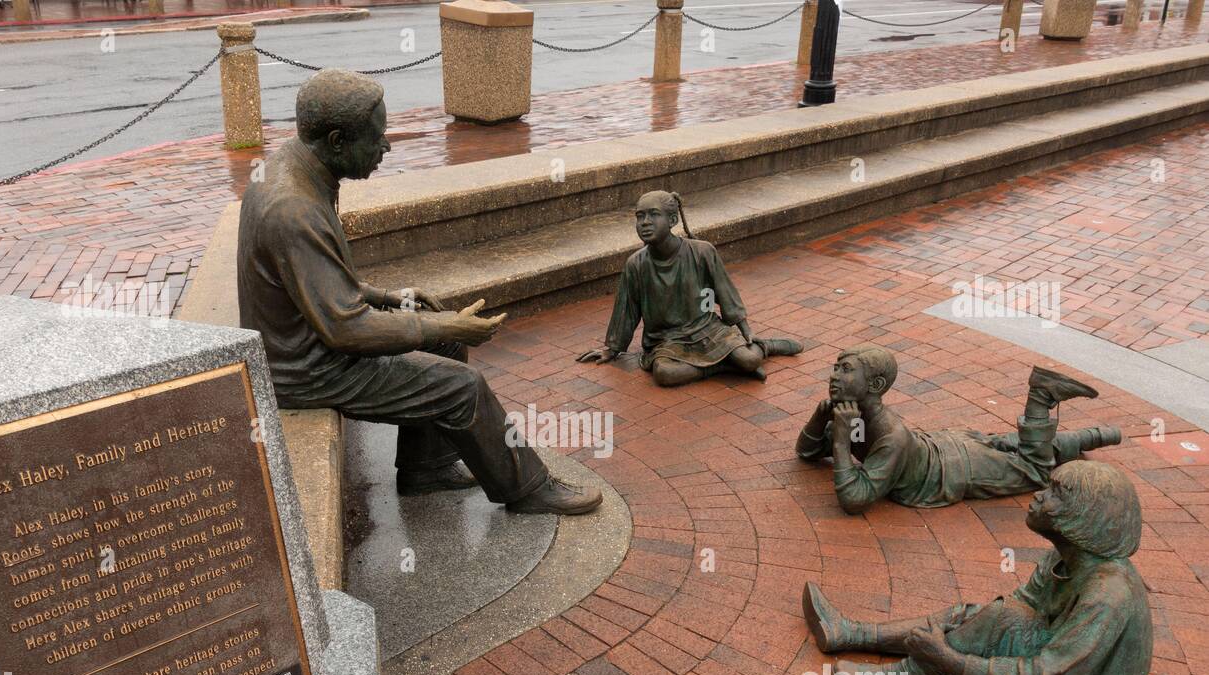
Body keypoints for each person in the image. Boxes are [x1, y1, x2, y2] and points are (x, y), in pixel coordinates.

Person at [237, 69, 601, 515]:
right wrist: (444, 323)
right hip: (307, 372)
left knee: (443, 344)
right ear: (335, 141)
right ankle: (528, 490)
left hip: (300, 345)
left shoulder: (291, 170)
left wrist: (387, 296)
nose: (386, 147)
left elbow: (313, 279)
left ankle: (425, 468)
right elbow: (346, 331)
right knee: (463, 386)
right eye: (377, 137)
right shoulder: (294, 210)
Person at [803, 460, 1159, 675]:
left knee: (1002, 619)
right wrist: (970, 627)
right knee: (979, 614)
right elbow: (1018, 605)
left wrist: (951, 661)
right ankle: (851, 633)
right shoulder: (1065, 557)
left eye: (1055, 493)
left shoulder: (1108, 596)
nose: (1039, 495)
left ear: (1084, 518)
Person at [795, 345, 1121, 514]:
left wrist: (840, 443)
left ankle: (1041, 395)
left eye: (846, 370)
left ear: (875, 384)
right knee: (1012, 445)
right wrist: (820, 417)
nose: (834, 375)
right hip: (942, 445)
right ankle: (1091, 436)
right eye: (836, 368)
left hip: (954, 469)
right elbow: (807, 451)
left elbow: (854, 499)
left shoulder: (889, 436)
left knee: (1033, 468)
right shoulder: (851, 415)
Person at [577, 191, 802, 387]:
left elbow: (726, 293)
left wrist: (745, 330)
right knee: (665, 374)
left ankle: (766, 347)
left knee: (750, 359)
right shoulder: (635, 264)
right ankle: (722, 368)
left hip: (707, 328)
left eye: (654, 215)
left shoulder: (702, 251)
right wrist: (612, 349)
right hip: (665, 340)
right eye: (640, 216)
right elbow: (626, 311)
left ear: (673, 219)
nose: (645, 222)